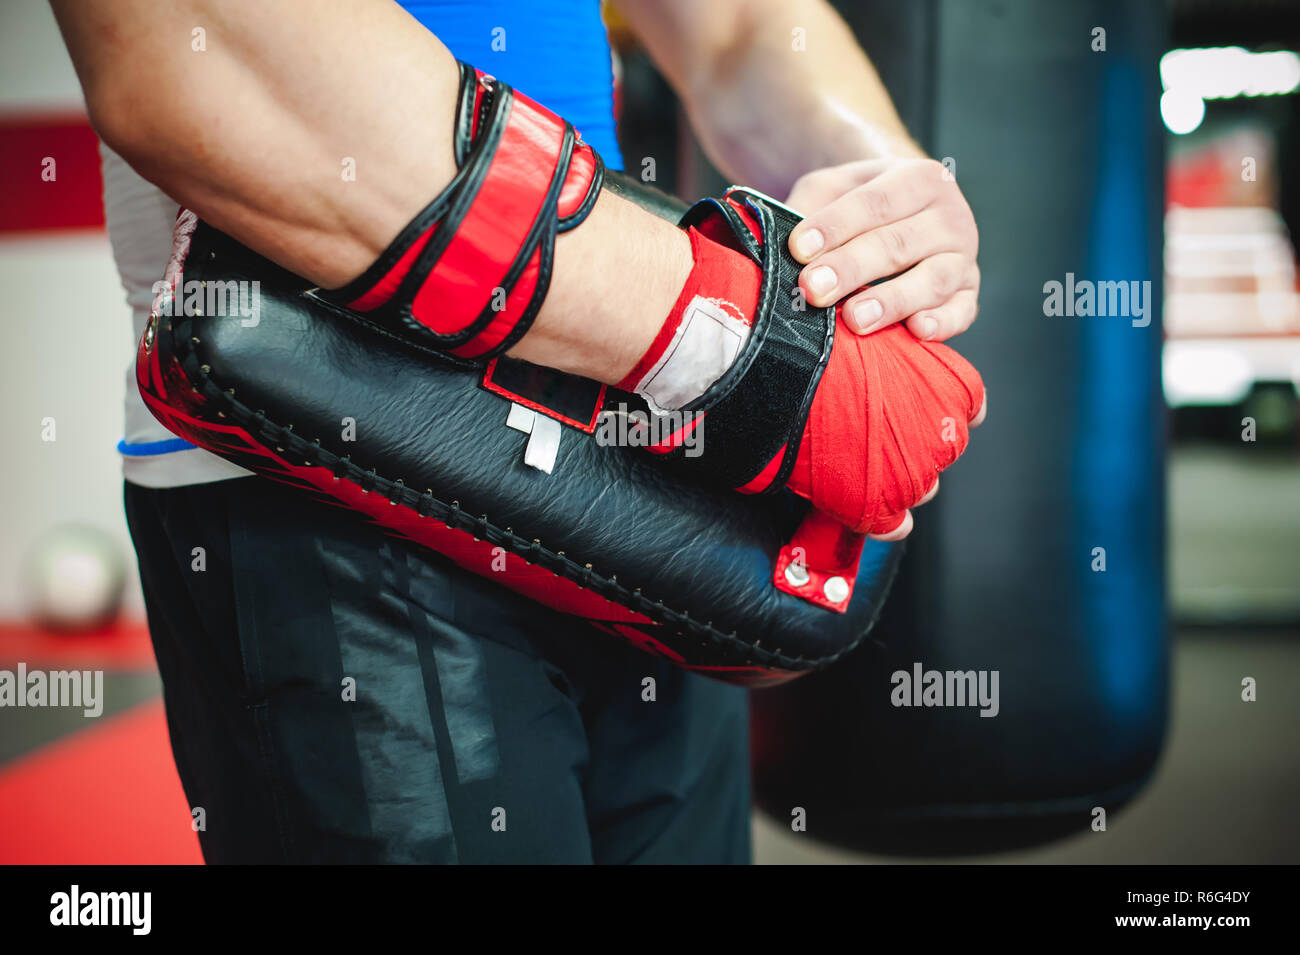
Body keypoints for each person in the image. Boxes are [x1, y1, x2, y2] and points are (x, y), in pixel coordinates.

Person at [52, 0, 984, 863]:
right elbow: (184, 53)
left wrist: (884, 220)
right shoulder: (706, 344)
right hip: (329, 433)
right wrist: (729, 342)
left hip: (650, 459)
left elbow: (738, 30)